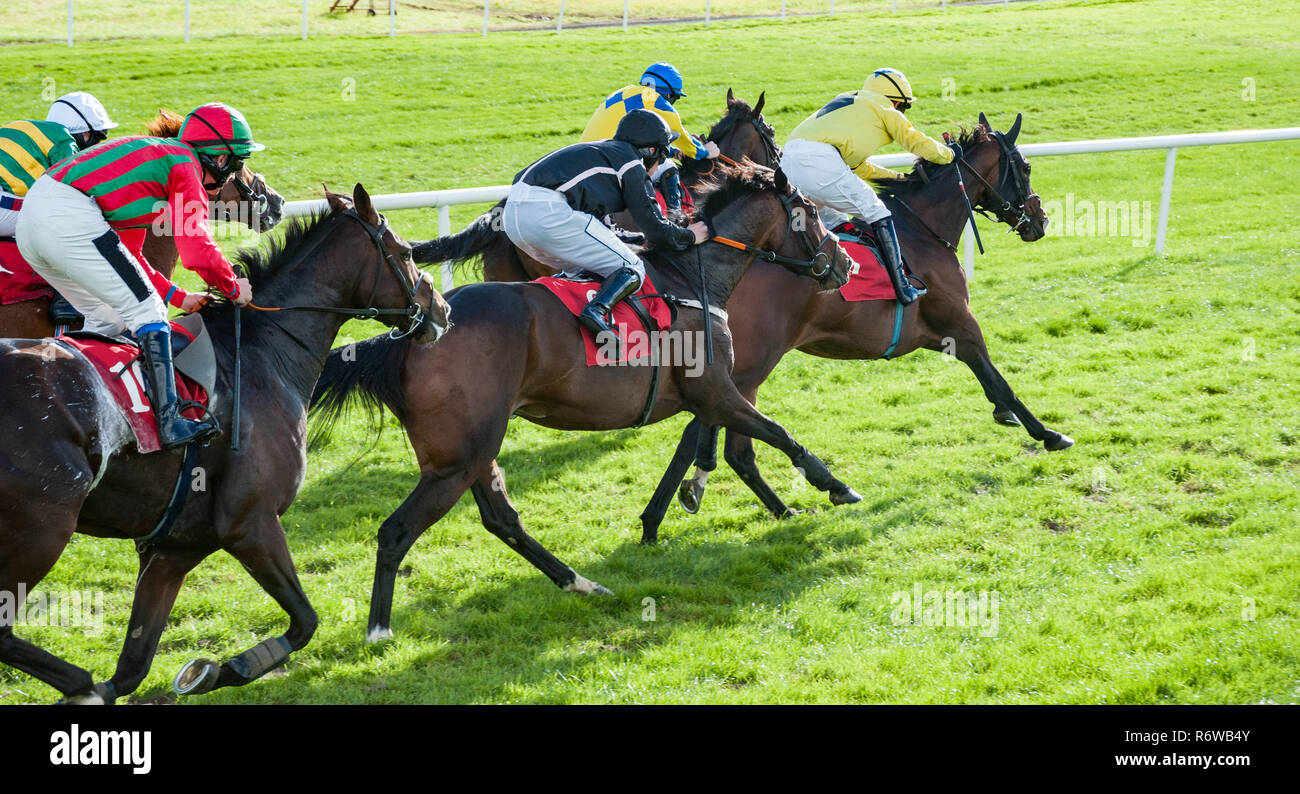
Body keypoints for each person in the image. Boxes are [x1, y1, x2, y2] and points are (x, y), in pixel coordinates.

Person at [16, 102, 261, 449]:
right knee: (148, 313)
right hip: (65, 215)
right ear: (219, 158)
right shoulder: (185, 165)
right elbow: (197, 251)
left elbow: (130, 257)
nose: (233, 174)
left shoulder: (153, 168)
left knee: (108, 321)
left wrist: (180, 297)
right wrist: (234, 287)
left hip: (34, 222)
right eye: (235, 164)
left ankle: (94, 414)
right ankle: (171, 421)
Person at [504, 109, 710, 340]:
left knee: (584, 271)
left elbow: (606, 230)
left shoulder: (606, 153)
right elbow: (657, 229)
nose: (660, 163)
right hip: (546, 213)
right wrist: (690, 235)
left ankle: (561, 327)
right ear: (651, 150)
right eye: (662, 156)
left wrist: (637, 238)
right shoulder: (631, 165)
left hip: (513, 218)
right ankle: (597, 311)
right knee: (631, 267)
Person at [781, 68, 955, 305]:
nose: (902, 113)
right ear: (895, 102)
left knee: (835, 221)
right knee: (877, 211)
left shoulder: (853, 104)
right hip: (820, 163)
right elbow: (914, 140)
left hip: (787, 163)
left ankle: (831, 280)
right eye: (904, 107)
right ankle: (902, 287)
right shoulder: (883, 107)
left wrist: (899, 178)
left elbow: (860, 168)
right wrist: (949, 154)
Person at [579, 62, 720, 220]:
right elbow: (682, 138)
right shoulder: (655, 100)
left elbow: (633, 138)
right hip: (608, 163)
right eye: (674, 98)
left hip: (583, 157)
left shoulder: (624, 91)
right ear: (668, 94)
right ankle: (676, 219)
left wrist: (672, 151)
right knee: (667, 166)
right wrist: (705, 152)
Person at [0, 92, 118, 238]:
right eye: (98, 137)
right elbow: (74, 187)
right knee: (61, 216)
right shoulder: (63, 137)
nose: (97, 145)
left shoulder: (28, 128)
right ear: (85, 133)